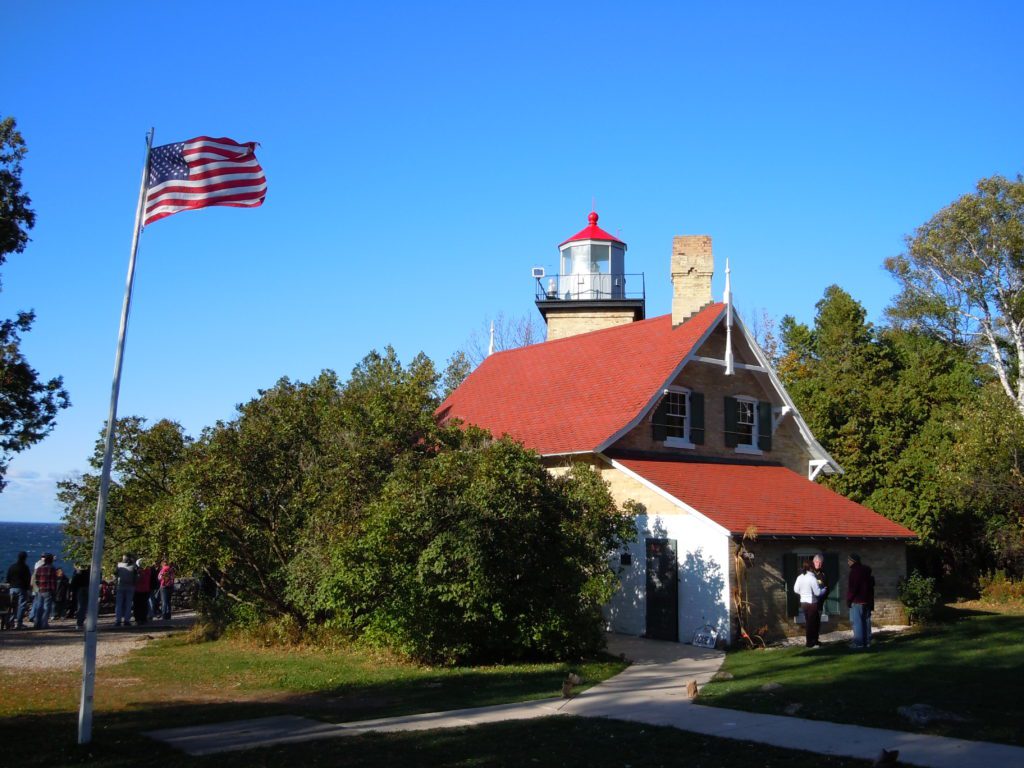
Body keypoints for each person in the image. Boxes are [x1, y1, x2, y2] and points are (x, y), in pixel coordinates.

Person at [793, 558, 824, 647]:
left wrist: (803, 594)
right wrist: (823, 590)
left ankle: (814, 641)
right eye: (813, 566)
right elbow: (817, 592)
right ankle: (810, 643)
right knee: (812, 624)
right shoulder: (812, 578)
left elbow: (795, 590)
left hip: (803, 603)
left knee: (811, 622)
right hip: (812, 603)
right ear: (811, 568)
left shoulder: (800, 577)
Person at [846, 553, 873, 648]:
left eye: (849, 561)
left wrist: (849, 599)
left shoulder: (854, 572)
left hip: (857, 600)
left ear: (853, 561)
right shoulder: (866, 571)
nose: (848, 563)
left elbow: (853, 588)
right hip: (867, 600)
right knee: (866, 621)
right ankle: (867, 641)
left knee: (857, 622)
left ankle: (859, 643)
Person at [5, 551, 31, 629]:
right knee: (21, 606)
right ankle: (19, 623)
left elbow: (8, 578)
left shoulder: (12, 567)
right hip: (21, 588)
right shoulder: (25, 567)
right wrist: (28, 588)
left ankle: (10, 622)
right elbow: (28, 579)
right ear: (25, 558)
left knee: (12, 606)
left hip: (12, 588)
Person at [31, 554, 57, 629]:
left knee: (39, 606)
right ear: (51, 560)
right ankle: (44, 623)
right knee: (46, 607)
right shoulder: (52, 568)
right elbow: (53, 581)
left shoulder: (39, 568)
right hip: (48, 590)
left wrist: (38, 587)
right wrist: (54, 590)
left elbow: (36, 579)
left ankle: (37, 623)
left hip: (40, 590)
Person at [114, 554, 137, 627]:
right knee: (128, 604)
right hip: (130, 586)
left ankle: (118, 620)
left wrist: (116, 583)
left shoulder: (119, 566)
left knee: (119, 604)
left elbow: (115, 575)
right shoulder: (133, 566)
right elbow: (136, 577)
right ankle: (127, 620)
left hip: (120, 586)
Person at [69, 564, 91, 629]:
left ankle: (79, 623)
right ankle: (89, 622)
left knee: (81, 606)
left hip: (80, 589)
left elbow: (73, 582)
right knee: (88, 606)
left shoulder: (78, 573)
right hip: (88, 587)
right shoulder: (89, 572)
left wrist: (72, 590)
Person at [133, 559, 151, 625]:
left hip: (138, 590)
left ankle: (138, 619)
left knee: (137, 605)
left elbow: (136, 580)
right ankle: (143, 618)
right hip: (146, 589)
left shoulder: (138, 571)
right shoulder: (148, 571)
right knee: (144, 605)